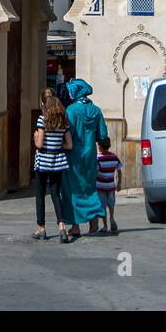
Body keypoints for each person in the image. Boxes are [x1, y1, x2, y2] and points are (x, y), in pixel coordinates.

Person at [61, 78, 108, 238]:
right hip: (91, 156)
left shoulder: (71, 111)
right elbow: (102, 135)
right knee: (89, 188)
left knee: (73, 191)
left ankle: (75, 226)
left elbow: (69, 135)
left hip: (74, 156)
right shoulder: (96, 110)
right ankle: (94, 220)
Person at [32, 88, 72, 243]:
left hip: (43, 160)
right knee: (56, 194)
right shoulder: (64, 120)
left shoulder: (42, 119)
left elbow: (39, 144)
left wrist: (35, 137)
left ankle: (41, 228)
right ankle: (62, 226)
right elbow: (69, 145)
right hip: (58, 160)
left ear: (43, 103)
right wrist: (57, 145)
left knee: (40, 194)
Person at [95, 136, 122, 235]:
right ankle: (112, 218)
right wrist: (119, 183)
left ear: (99, 146)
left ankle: (105, 225)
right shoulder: (114, 157)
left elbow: (95, 171)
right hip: (111, 186)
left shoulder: (98, 158)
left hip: (100, 186)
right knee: (111, 205)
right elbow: (119, 169)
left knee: (102, 206)